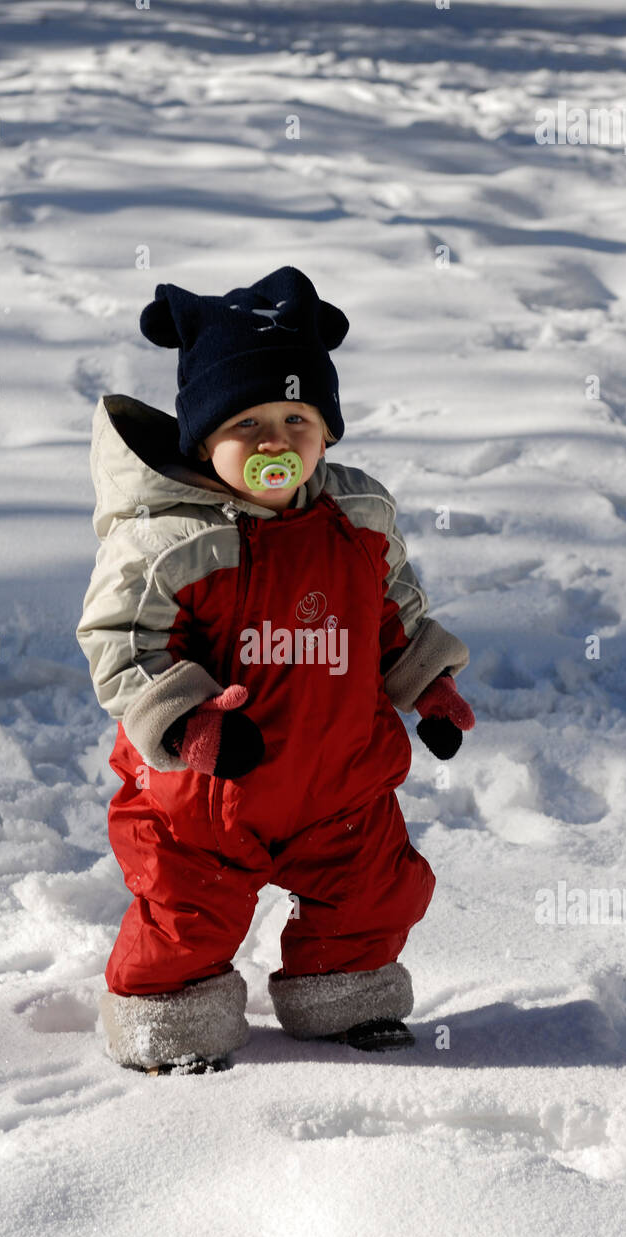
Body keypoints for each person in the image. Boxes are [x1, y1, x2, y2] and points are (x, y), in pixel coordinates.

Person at [76, 265, 475, 1075]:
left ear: (327, 430)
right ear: (201, 438)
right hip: (207, 793)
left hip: (341, 785)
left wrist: (425, 684)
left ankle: (347, 995)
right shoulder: (167, 543)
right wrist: (189, 721)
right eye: (247, 422)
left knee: (371, 892)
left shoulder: (358, 517)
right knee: (183, 912)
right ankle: (172, 1019)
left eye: (298, 418)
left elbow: (389, 613)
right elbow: (123, 644)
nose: (275, 442)